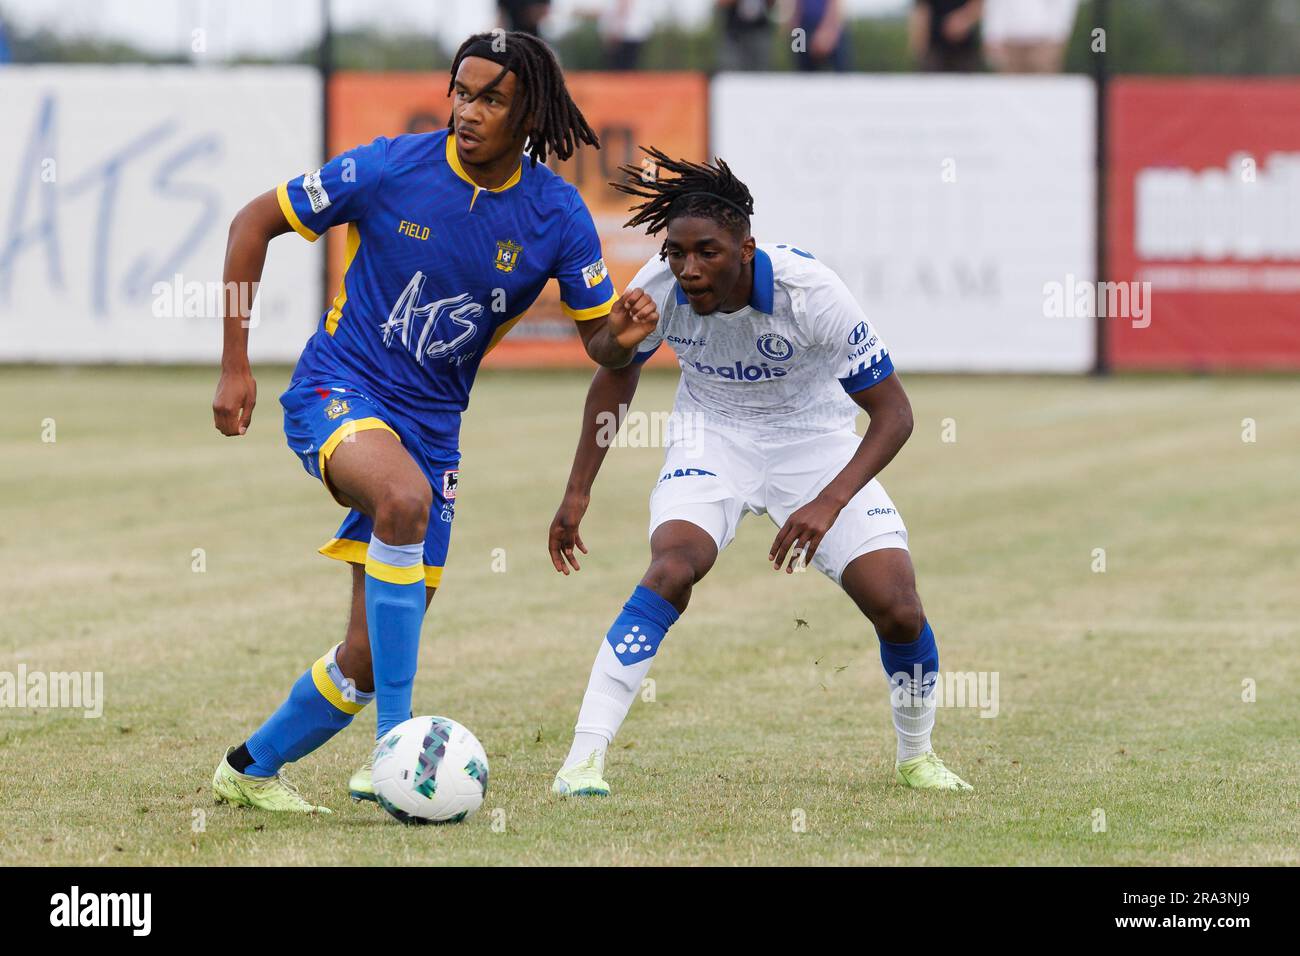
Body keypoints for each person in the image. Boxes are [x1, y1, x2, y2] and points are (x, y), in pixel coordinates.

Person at [209, 31, 660, 813]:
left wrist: (625, 331)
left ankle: (247, 770)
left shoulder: (556, 214)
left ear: (529, 117)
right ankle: (399, 746)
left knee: (367, 655)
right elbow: (254, 223)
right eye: (461, 90)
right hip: (339, 389)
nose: (468, 110)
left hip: (433, 431)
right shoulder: (389, 167)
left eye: (491, 98)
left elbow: (600, 340)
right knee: (403, 502)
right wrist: (234, 362)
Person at [548, 148, 974, 798]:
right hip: (711, 437)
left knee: (898, 607)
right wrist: (577, 491)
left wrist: (827, 503)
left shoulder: (813, 294)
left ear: (745, 247)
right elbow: (613, 366)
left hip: (814, 444)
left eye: (707, 252)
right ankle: (582, 763)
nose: (689, 268)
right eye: (677, 253)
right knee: (672, 568)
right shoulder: (662, 290)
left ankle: (917, 758)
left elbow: (895, 415)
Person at [983, 0, 1078, 73]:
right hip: (1008, 43)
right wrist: (992, 35)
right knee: (1008, 92)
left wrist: (1057, 36)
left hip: (1045, 42)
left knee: (1044, 90)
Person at [910, 0, 984, 72]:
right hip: (935, 51)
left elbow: (978, 3)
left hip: (964, 51)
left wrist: (964, 19)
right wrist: (919, 44)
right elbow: (921, 10)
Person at [790, 0, 849, 72]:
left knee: (843, 77)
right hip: (804, 28)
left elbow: (836, 3)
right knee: (804, 75)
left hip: (829, 28)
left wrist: (828, 30)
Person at [718, 0, 776, 72]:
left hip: (760, 33)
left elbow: (772, 5)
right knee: (732, 72)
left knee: (761, 73)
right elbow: (721, 3)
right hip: (734, 36)